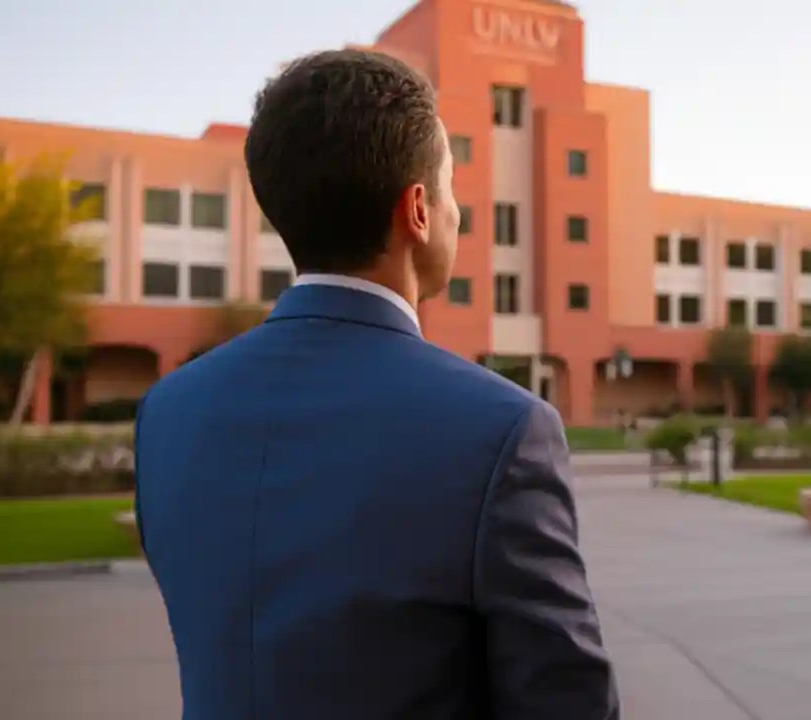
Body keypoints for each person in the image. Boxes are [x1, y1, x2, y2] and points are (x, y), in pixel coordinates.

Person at [133, 49, 619, 719]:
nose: (460, 215)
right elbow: (567, 704)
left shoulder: (167, 411)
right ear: (418, 209)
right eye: (450, 188)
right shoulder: (502, 431)